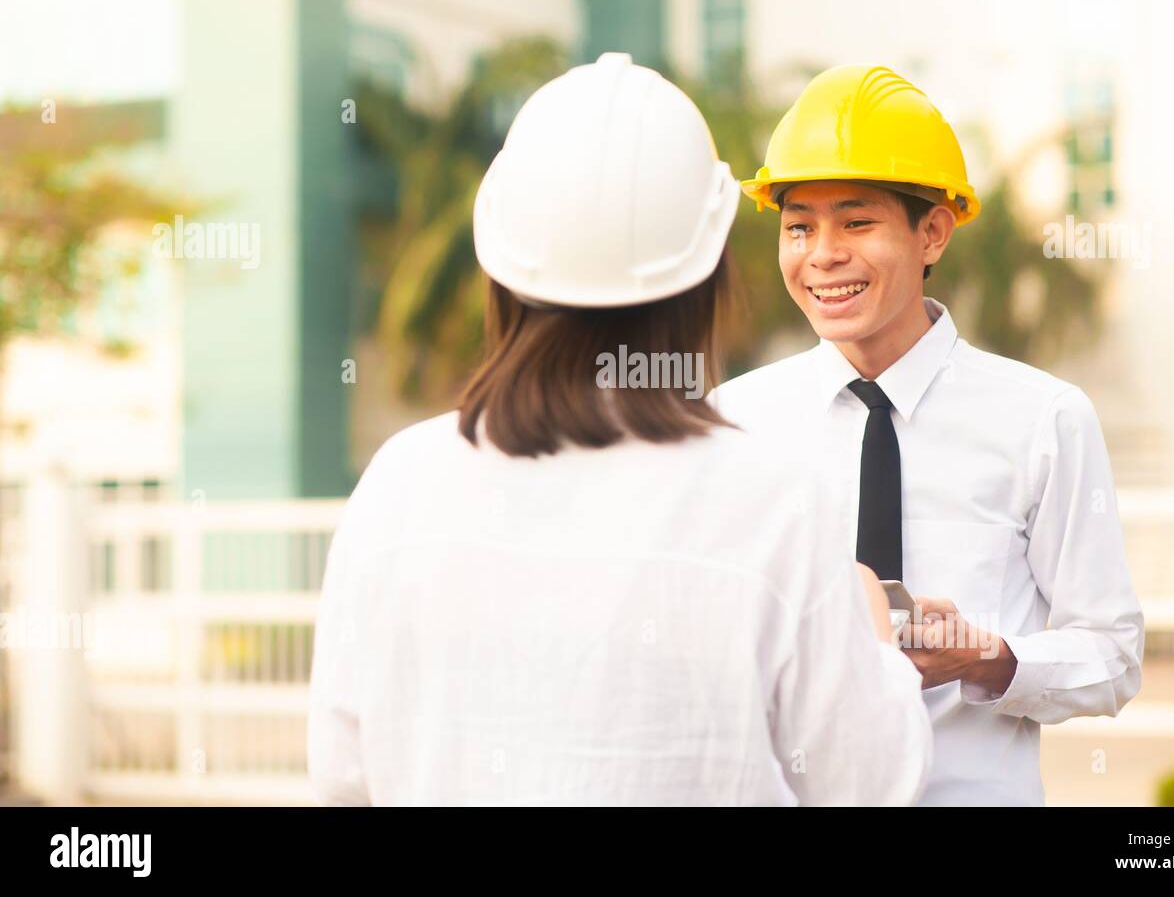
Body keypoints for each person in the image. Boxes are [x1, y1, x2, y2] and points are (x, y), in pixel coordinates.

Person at [307, 53, 932, 806]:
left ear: (499, 264)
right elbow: (867, 785)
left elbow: (343, 776)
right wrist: (875, 629)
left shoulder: (400, 482)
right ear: (707, 274)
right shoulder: (771, 501)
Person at [714, 64, 1144, 806]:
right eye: (799, 226)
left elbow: (1113, 654)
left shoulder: (1044, 419)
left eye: (856, 222)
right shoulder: (734, 421)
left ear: (933, 233)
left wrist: (990, 658)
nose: (822, 254)